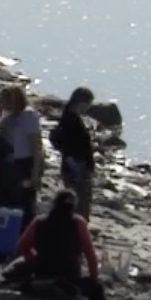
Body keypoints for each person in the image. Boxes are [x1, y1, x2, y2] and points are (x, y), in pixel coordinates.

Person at [14, 190, 111, 300]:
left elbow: (22, 246)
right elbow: (90, 256)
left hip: (42, 275)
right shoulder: (78, 222)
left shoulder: (39, 221)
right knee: (97, 289)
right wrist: (93, 278)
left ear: (54, 203)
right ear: (74, 206)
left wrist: (34, 257)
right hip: (68, 279)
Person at [51, 88, 98, 218]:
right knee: (81, 205)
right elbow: (66, 144)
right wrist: (74, 164)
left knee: (78, 203)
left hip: (74, 167)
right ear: (81, 102)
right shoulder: (71, 121)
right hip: (77, 168)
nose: (88, 108)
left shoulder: (68, 117)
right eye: (88, 104)